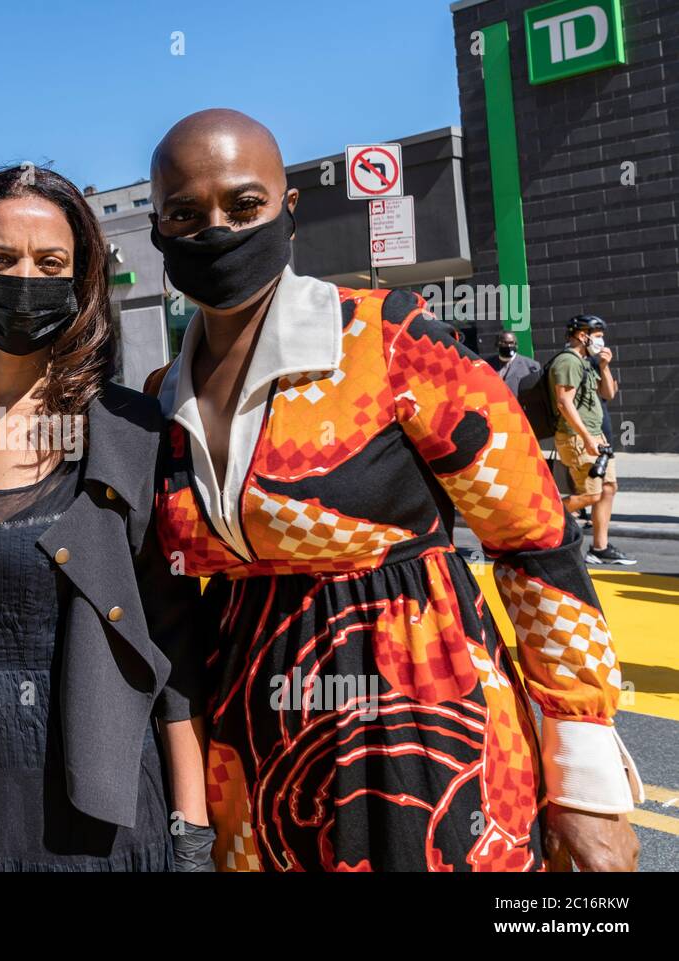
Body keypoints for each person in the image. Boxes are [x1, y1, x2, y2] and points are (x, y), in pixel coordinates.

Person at [143, 109, 641, 872]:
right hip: (253, 755)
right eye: (186, 213)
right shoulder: (160, 391)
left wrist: (583, 778)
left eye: (244, 206)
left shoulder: (390, 339)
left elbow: (533, 540)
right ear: (157, 229)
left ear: (289, 211)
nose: (217, 230)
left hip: (428, 734)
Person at [0, 167, 211, 872]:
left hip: (95, 831)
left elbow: (172, 647)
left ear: (81, 282)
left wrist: (193, 838)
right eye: (0, 260)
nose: (24, 278)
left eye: (50, 263)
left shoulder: (127, 434)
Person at [550, 315, 634, 566]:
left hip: (597, 436)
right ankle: (533, 524)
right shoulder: (568, 361)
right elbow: (564, 402)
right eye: (595, 333)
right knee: (589, 495)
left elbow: (608, 393)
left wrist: (605, 366)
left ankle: (599, 547)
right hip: (578, 437)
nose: (600, 339)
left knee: (608, 488)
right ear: (580, 335)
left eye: (600, 334)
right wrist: (587, 438)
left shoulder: (587, 362)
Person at [486, 330, 539, 396]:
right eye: (504, 343)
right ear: (497, 345)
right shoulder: (487, 365)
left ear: (516, 345)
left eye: (511, 343)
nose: (508, 346)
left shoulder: (530, 366)